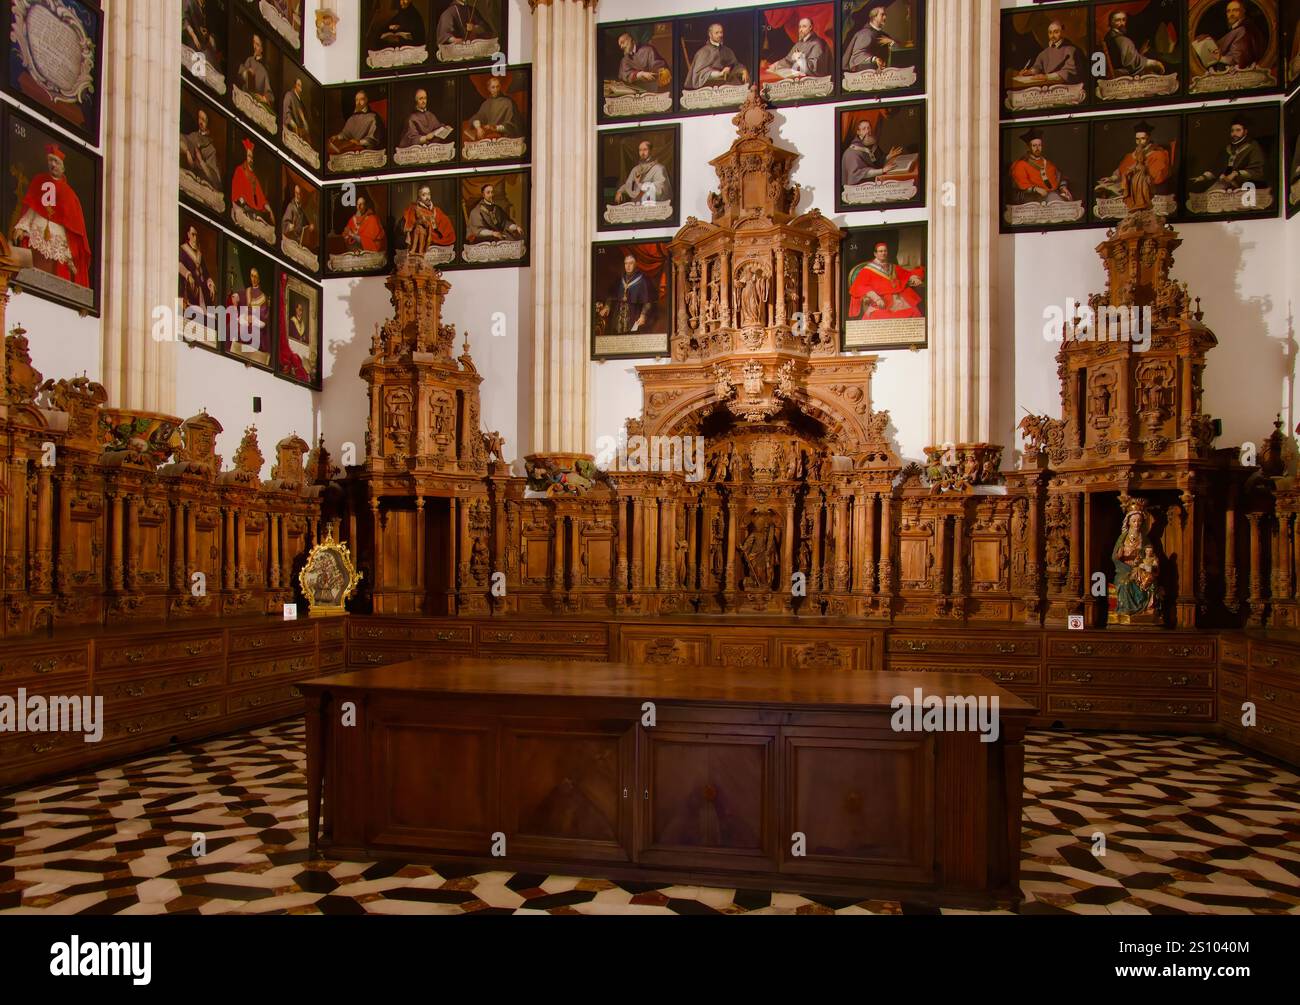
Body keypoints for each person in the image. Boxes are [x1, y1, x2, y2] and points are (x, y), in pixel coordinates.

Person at [12, 143, 91, 287]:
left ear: (63, 167)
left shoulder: (70, 195)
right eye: (50, 160)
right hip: (37, 233)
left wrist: (70, 255)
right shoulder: (39, 181)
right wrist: (22, 226)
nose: (53, 164)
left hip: (57, 239)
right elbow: (33, 207)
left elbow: (72, 227)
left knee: (54, 278)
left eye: (56, 161)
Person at [1095, 121, 1172, 212]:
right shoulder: (1130, 155)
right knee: (1105, 187)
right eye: (1137, 139)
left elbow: (1157, 176)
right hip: (1129, 184)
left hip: (1145, 188)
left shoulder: (1158, 155)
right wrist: (1112, 178)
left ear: (1149, 138)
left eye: (1143, 138)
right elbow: (1121, 171)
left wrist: (1139, 175)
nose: (1139, 142)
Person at [847, 241, 924, 320]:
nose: (883, 253)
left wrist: (914, 278)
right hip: (881, 301)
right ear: (875, 254)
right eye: (880, 251)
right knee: (881, 316)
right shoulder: (867, 270)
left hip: (898, 299)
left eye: (885, 251)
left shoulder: (892, 267)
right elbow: (860, 286)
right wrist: (876, 298)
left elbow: (906, 274)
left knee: (914, 311)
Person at [1190, 115, 1267, 193]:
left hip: (1244, 185)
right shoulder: (1228, 148)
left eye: (1238, 130)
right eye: (1232, 131)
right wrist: (1203, 177)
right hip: (1223, 182)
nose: (1234, 133)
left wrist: (1236, 173)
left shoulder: (1252, 146)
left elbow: (1257, 171)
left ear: (1245, 131)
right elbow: (1217, 168)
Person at [1008, 127, 1073, 204]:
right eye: (1034, 145)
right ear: (1029, 147)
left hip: (1052, 196)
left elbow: (1059, 177)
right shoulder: (1020, 164)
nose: (1037, 148)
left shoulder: (1048, 164)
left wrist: (1063, 187)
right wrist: (1035, 189)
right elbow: (1021, 185)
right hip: (1031, 198)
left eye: (1039, 145)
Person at [1015, 19, 1083, 85]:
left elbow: (1069, 73)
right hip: (1047, 87)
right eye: (1050, 32)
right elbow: (1037, 67)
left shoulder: (1071, 50)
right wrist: (1029, 72)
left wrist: (1047, 77)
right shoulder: (1044, 53)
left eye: (1056, 32)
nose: (1052, 35)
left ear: (1062, 32)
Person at [684, 22, 748, 90]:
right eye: (717, 33)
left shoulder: (727, 50)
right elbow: (699, 75)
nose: (720, 35)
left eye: (721, 32)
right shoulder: (703, 52)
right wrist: (719, 74)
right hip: (709, 86)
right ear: (710, 34)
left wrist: (742, 70)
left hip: (727, 83)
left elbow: (735, 64)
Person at [601, 254, 654, 334]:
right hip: (618, 318)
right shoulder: (620, 279)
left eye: (631, 263)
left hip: (633, 315)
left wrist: (643, 315)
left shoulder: (642, 280)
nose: (628, 266)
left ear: (635, 265)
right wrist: (607, 306)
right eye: (626, 263)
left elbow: (647, 301)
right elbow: (611, 295)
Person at [841, 118, 902, 186]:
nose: (867, 131)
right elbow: (858, 174)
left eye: (869, 128)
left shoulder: (871, 144)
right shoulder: (852, 153)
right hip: (859, 187)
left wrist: (888, 156)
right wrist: (882, 170)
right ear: (858, 132)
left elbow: (877, 163)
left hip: (874, 181)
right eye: (864, 129)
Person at [1103, 10, 1164, 76]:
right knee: (1157, 68)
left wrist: (1140, 53)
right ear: (1111, 22)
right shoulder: (1122, 40)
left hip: (1124, 70)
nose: (1122, 23)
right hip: (1123, 73)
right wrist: (1153, 63)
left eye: (1124, 20)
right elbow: (1130, 64)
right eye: (1118, 20)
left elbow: (1127, 59)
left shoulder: (1110, 36)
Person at [400, 185, 455, 255]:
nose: (427, 197)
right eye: (424, 195)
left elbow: (445, 224)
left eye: (429, 194)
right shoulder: (414, 208)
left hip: (435, 234)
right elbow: (410, 224)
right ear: (419, 197)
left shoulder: (436, 210)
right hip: (423, 233)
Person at [230, 139, 275, 225]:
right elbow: (236, 193)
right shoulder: (239, 170)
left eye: (252, 157)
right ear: (245, 157)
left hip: (253, 210)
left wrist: (268, 208)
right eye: (249, 156)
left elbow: (260, 197)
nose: (251, 160)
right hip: (241, 207)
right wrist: (241, 200)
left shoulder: (254, 177)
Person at [843, 2, 895, 73]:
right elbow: (857, 56)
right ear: (874, 17)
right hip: (865, 76)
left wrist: (892, 43)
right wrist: (874, 59)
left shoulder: (884, 35)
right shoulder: (865, 34)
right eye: (882, 15)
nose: (885, 17)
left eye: (885, 15)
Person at [614, 140, 672, 205]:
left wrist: (639, 184)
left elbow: (660, 189)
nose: (642, 153)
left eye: (645, 149)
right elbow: (628, 185)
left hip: (652, 206)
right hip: (636, 205)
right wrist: (620, 191)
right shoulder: (635, 169)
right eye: (640, 150)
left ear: (651, 151)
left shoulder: (659, 168)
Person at [228, 265, 269, 353]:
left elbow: (264, 318)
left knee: (248, 332)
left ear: (259, 278)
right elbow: (237, 296)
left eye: (255, 276)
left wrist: (253, 318)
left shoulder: (263, 296)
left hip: (255, 324)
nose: (253, 279)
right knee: (230, 327)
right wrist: (235, 299)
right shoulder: (247, 291)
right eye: (252, 276)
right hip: (244, 320)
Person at [1211, 0, 1264, 68]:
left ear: (1243, 11)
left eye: (1235, 10)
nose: (1231, 14)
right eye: (1228, 11)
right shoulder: (1238, 28)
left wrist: (1220, 58)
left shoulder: (1243, 29)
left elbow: (1239, 60)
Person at [328, 89, 384, 154]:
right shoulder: (351, 118)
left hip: (367, 151)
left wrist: (359, 142)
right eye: (356, 100)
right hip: (352, 150)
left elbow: (374, 138)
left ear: (366, 100)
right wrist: (337, 137)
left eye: (361, 99)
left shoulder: (373, 117)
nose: (358, 102)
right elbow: (346, 134)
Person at [181, 107, 222, 190]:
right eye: (199, 118)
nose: (200, 122)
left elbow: (216, 181)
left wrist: (201, 161)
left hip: (202, 186)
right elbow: (182, 138)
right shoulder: (193, 135)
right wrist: (187, 151)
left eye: (203, 119)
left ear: (208, 123)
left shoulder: (211, 149)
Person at [179, 223, 216, 309]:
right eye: (193, 234)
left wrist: (210, 284)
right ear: (188, 235)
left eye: (196, 235)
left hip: (201, 290)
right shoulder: (183, 249)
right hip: (189, 290)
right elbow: (179, 265)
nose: (195, 237)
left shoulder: (199, 254)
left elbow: (206, 273)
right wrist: (188, 275)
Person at [237, 33, 275, 112]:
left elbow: (269, 93)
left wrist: (264, 98)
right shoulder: (249, 60)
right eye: (254, 42)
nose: (254, 46)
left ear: (262, 49)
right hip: (245, 97)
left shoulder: (264, 71)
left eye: (257, 44)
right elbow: (240, 74)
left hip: (256, 105)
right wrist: (247, 73)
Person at [282, 76, 312, 142]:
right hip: (290, 130)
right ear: (294, 85)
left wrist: (304, 123)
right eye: (298, 85)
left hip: (300, 134)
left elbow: (304, 121)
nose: (300, 87)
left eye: (301, 85)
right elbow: (286, 110)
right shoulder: (289, 95)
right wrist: (293, 124)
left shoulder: (301, 103)